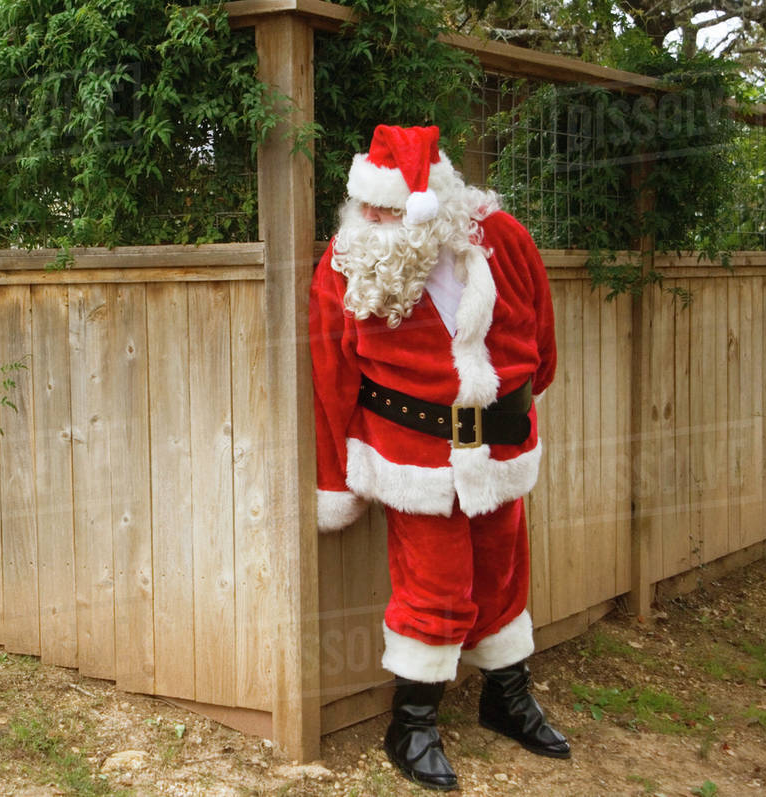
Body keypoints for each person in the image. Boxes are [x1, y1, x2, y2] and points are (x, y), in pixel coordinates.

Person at [309, 124, 569, 791]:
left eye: (388, 209)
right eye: (366, 206)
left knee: (503, 569)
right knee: (435, 580)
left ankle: (506, 697)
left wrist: (511, 402)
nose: (372, 220)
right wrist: (337, 477)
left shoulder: (502, 237)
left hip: (502, 444)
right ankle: (412, 722)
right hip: (414, 454)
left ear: (430, 204)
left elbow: (541, 338)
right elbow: (332, 373)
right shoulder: (346, 261)